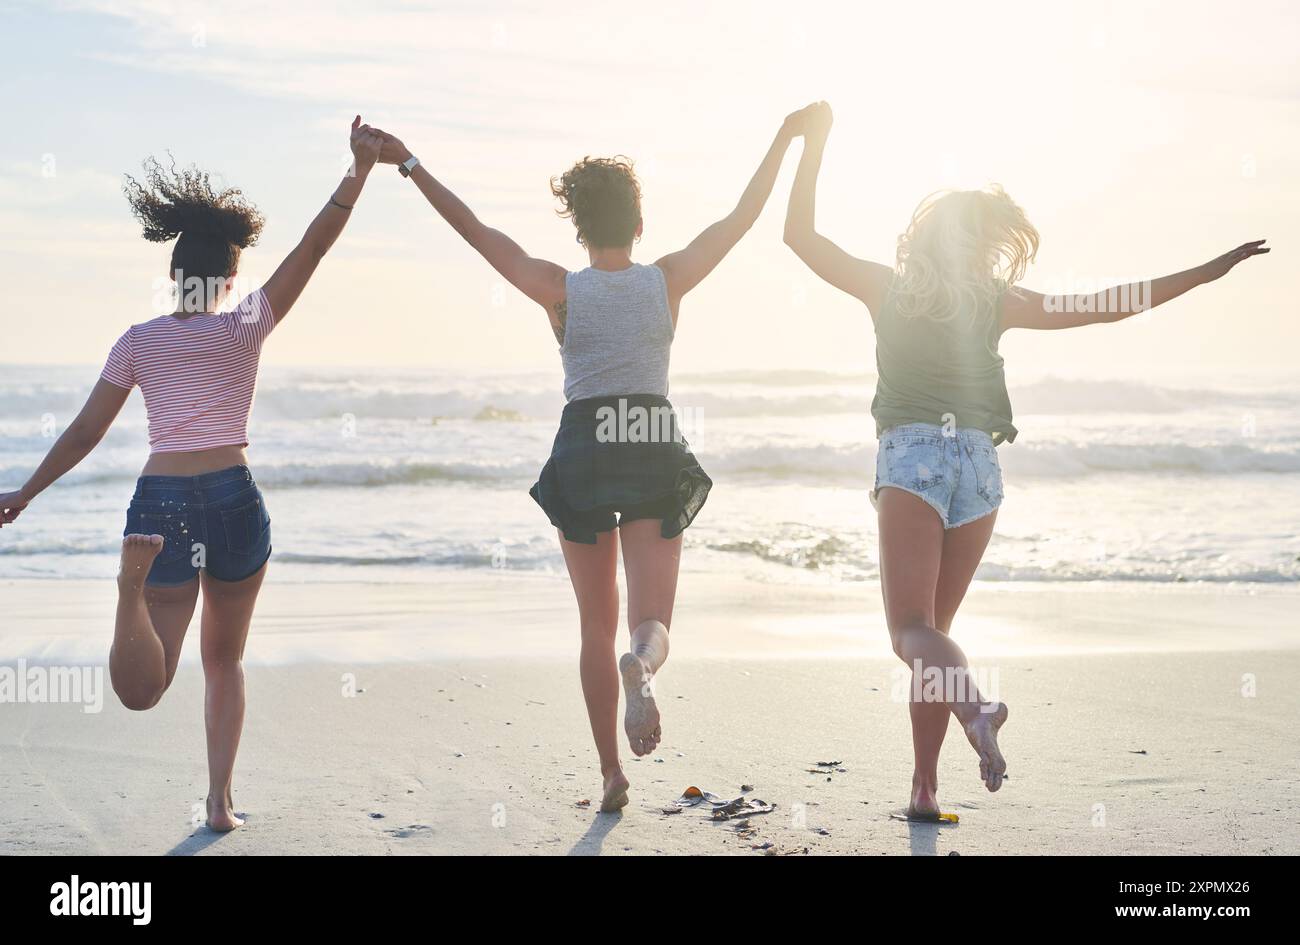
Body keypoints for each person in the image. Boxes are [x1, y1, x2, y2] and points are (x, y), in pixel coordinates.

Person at [782, 100, 1269, 818]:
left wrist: (812, 143)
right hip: (979, 467)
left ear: (925, 236)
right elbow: (1107, 303)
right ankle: (924, 788)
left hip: (913, 457)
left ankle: (978, 711)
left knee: (910, 633)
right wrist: (1201, 272)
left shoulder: (884, 286)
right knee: (932, 637)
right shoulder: (995, 298)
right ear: (981, 245)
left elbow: (798, 235)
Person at [370, 111, 805, 811]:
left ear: (580, 227)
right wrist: (785, 138)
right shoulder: (666, 280)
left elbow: (477, 233)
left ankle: (611, 773)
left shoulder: (560, 288)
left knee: (593, 626)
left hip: (583, 444)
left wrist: (409, 162)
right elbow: (739, 218)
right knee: (650, 618)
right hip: (650, 437)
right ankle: (646, 664)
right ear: (638, 223)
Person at [0, 116, 386, 832]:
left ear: (172, 276)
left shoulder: (137, 340)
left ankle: (128, 592)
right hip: (234, 498)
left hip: (162, 503)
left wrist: (25, 492)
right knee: (224, 662)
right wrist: (356, 172)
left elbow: (86, 430)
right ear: (230, 278)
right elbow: (314, 247)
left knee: (146, 686)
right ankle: (218, 801)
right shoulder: (247, 324)